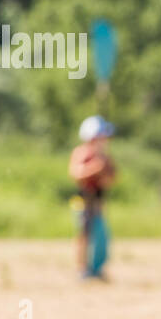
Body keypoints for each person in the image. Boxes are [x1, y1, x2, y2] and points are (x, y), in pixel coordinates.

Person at [69, 115, 117, 279]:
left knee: (101, 236)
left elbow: (111, 180)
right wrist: (96, 168)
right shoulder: (82, 153)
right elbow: (76, 173)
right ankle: (82, 269)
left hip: (98, 201)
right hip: (84, 200)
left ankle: (97, 269)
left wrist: (105, 172)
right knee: (84, 234)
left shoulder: (104, 156)